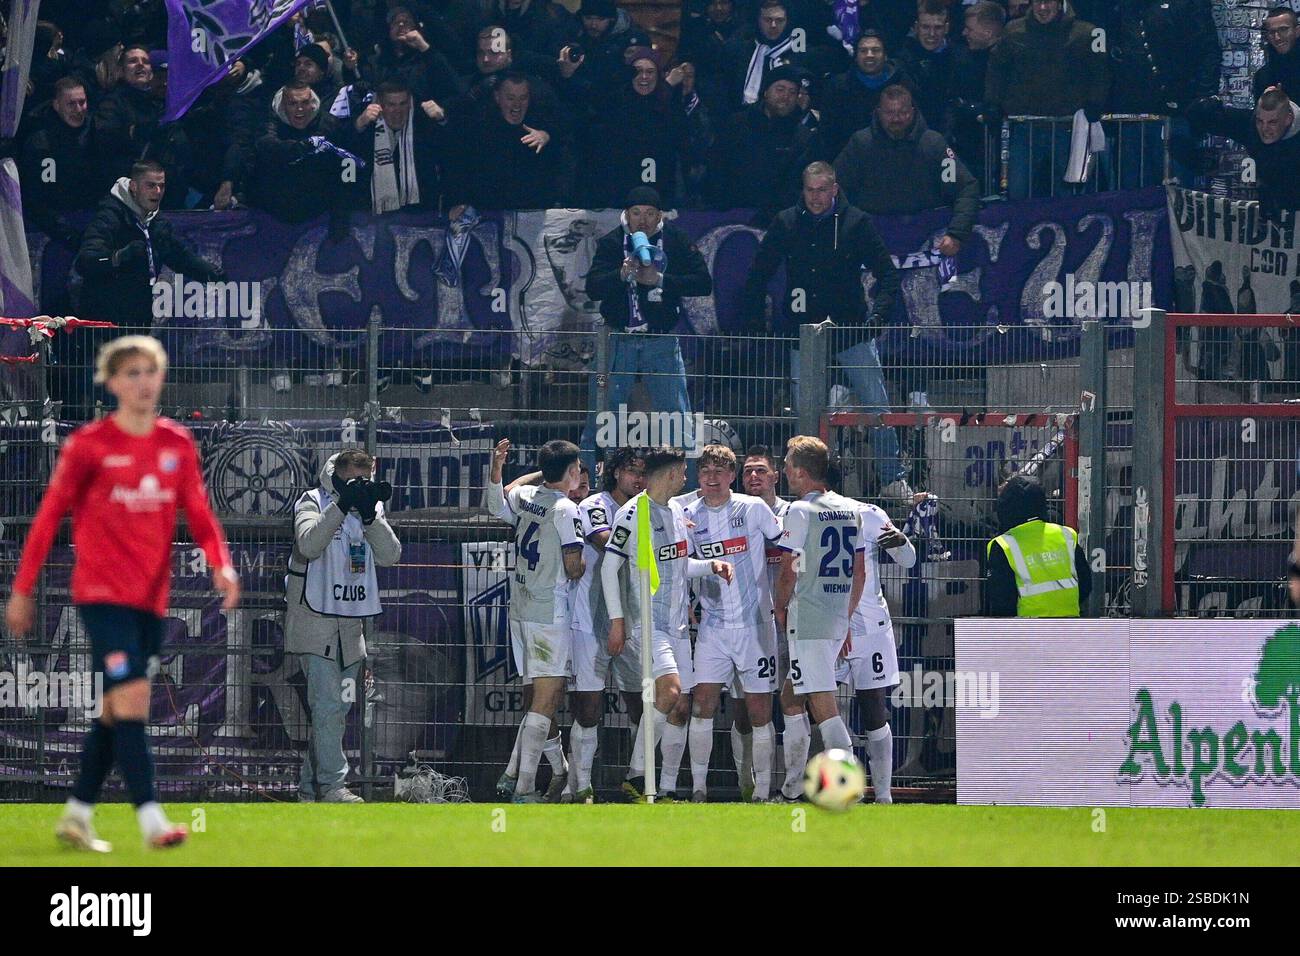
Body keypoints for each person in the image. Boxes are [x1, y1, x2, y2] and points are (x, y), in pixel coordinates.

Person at [5, 335, 240, 852]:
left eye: (148, 372)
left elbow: (199, 514)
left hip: (151, 602)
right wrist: (22, 590)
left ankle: (76, 813)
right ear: (111, 383)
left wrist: (222, 564)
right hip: (100, 597)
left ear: (160, 378)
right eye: (130, 374)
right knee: (133, 700)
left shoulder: (175, 444)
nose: (141, 383)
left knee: (115, 711)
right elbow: (47, 519)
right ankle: (152, 819)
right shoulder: (89, 446)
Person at [741, 161, 916, 509]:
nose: (817, 197)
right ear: (802, 190)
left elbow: (888, 276)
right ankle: (806, 485)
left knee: (878, 406)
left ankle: (893, 480)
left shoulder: (857, 223)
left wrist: (877, 318)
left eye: (823, 190)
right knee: (806, 416)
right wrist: (760, 323)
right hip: (802, 336)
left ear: (834, 189)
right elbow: (758, 274)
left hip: (852, 332)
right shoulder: (786, 222)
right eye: (810, 190)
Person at [601, 446, 734, 800]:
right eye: (684, 472)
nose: (687, 478)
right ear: (673, 474)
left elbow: (680, 564)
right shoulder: (633, 514)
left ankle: (665, 788)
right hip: (647, 624)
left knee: (680, 707)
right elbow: (608, 567)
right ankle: (635, 774)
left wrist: (712, 566)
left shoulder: (676, 512)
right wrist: (617, 621)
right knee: (669, 692)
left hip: (676, 626)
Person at [286, 448, 401, 803]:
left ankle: (310, 788)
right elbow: (308, 544)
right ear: (336, 473)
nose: (360, 485)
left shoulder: (371, 507)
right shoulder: (312, 501)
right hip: (314, 624)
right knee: (326, 707)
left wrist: (369, 515)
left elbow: (390, 555)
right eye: (353, 480)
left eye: (365, 479)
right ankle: (334, 786)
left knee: (340, 709)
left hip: (351, 631)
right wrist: (339, 507)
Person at [73, 160, 225, 417]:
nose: (157, 192)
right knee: (109, 393)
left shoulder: (154, 222)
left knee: (130, 392)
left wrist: (206, 271)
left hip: (136, 321)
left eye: (161, 186)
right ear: (133, 186)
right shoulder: (111, 216)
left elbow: (176, 254)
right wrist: (118, 257)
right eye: (150, 186)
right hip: (104, 325)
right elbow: (86, 261)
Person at [579, 187, 712, 476]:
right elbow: (593, 287)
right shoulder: (613, 242)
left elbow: (703, 282)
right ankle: (591, 487)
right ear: (626, 214)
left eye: (650, 214)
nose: (643, 220)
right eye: (637, 213)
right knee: (602, 418)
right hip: (618, 339)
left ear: (660, 216)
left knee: (677, 420)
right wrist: (620, 275)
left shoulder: (676, 239)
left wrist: (661, 279)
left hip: (660, 340)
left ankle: (685, 492)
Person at [679, 444, 784, 802]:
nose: (712, 478)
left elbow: (787, 545)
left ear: (731, 476)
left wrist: (785, 599)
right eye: (705, 472)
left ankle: (762, 792)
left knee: (758, 711)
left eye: (719, 472)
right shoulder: (687, 515)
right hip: (712, 627)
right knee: (702, 705)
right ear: (698, 476)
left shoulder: (753, 508)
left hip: (756, 626)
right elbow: (679, 565)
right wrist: (687, 604)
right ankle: (698, 789)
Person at [486, 438, 587, 803]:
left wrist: (502, 469)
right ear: (573, 471)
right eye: (577, 469)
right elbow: (574, 567)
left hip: (521, 608)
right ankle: (524, 788)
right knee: (545, 701)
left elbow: (499, 499)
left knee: (535, 697)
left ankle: (519, 775)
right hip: (549, 612)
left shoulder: (527, 497)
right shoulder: (566, 509)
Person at [772, 435, 863, 789]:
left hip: (808, 616)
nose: (784, 470)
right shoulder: (851, 509)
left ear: (799, 471)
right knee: (792, 694)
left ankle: (847, 786)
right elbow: (859, 571)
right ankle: (793, 787)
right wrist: (846, 616)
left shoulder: (799, 511)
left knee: (823, 704)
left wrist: (779, 607)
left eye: (786, 464)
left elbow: (788, 568)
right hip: (837, 615)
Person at [570, 448, 647, 801]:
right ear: (615, 473)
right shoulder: (594, 505)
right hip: (590, 619)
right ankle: (580, 787)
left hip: (634, 621)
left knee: (643, 707)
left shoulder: (652, 510)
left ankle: (637, 780)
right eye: (632, 471)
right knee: (588, 708)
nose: (639, 479)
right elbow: (605, 540)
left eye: (644, 473)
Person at [835, 494, 915, 804]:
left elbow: (908, 560)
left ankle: (883, 796)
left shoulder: (867, 514)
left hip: (869, 628)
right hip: (828, 626)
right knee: (824, 708)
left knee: (873, 709)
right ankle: (844, 788)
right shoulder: (804, 513)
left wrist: (901, 541)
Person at [984, 0, 1109, 198]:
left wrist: (1095, 102)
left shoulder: (1086, 33)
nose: (1042, 8)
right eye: (1037, 2)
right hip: (1024, 127)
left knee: (1069, 193)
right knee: (1017, 190)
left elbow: (1100, 72)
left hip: (1067, 128)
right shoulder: (1013, 31)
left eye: (1048, 2)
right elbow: (997, 69)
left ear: (1060, 4)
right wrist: (992, 102)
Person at [443, 71, 567, 211]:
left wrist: (547, 136)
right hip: (487, 212)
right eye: (510, 98)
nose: (517, 105)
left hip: (531, 212)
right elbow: (457, 166)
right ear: (497, 97)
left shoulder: (539, 126)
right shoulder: (479, 128)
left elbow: (564, 148)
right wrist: (459, 200)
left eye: (523, 98)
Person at [707, 65, 815, 218]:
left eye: (792, 92)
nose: (786, 96)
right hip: (730, 213)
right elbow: (716, 166)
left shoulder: (802, 137)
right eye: (780, 89)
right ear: (766, 92)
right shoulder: (736, 124)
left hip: (777, 219)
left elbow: (797, 185)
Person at [92, 46, 192, 207]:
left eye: (145, 62)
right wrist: (135, 133)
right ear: (121, 71)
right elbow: (104, 141)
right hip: (127, 196)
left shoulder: (160, 106)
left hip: (164, 195)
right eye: (133, 61)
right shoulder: (112, 103)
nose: (140, 65)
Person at [1186, 86, 1300, 223]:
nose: (1264, 129)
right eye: (1260, 121)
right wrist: (1206, 107)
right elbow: (1201, 114)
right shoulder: (1250, 125)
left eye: (1272, 122)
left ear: (1288, 119)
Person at [983, 474, 1090, 617]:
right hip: (1068, 626)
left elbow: (1001, 600)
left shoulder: (1002, 545)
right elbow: (1085, 583)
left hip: (1025, 631)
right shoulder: (1066, 535)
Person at [343, 80, 446, 214]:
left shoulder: (423, 125)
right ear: (379, 105)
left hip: (418, 212)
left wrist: (442, 120)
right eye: (391, 105)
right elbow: (345, 164)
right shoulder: (366, 127)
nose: (398, 111)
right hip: (372, 213)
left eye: (403, 104)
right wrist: (358, 125)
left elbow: (450, 154)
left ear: (410, 104)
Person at [817, 31, 916, 161]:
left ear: (885, 55)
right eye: (863, 51)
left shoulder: (904, 83)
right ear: (856, 55)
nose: (870, 55)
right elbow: (827, 134)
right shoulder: (838, 87)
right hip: (849, 162)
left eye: (876, 50)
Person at [1254, 7, 1300, 102]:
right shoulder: (1263, 76)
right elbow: (1259, 115)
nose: (1277, 37)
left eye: (1283, 29)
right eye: (1272, 32)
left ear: (1297, 31)